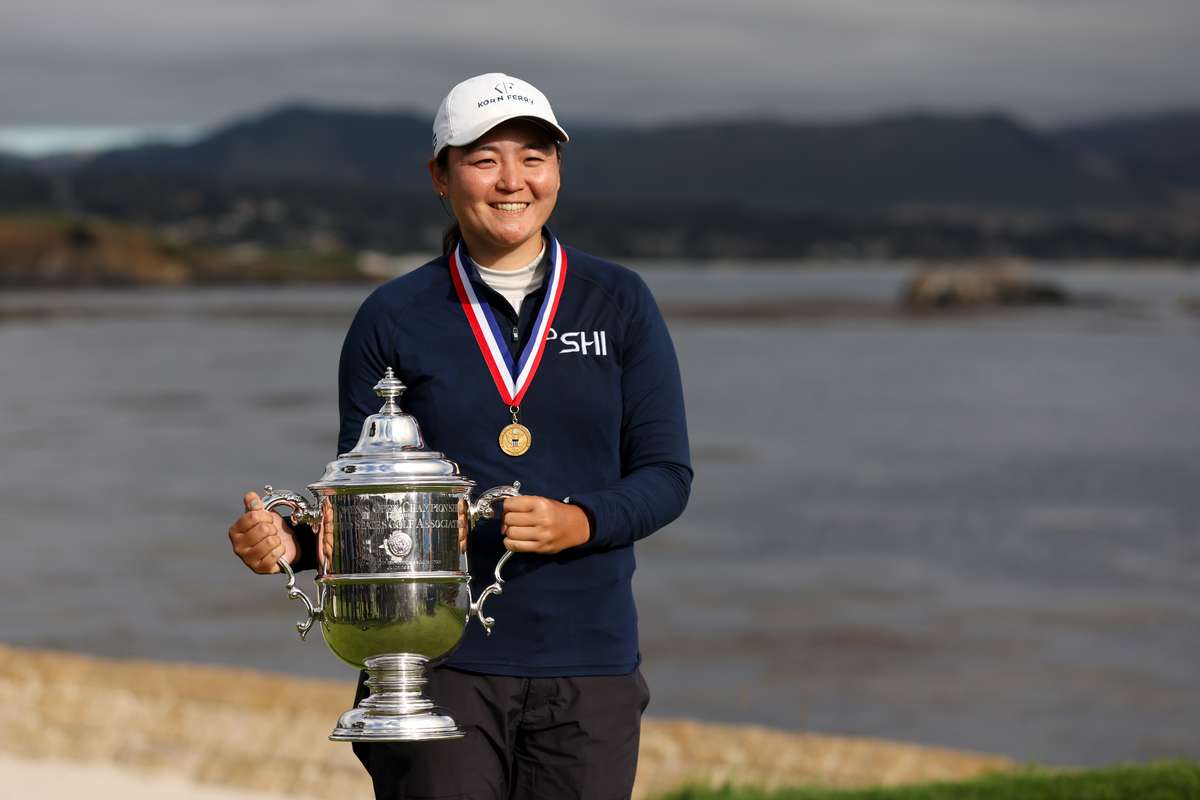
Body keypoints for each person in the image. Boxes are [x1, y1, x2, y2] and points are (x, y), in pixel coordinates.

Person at [227, 72, 692, 800]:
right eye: (484, 159)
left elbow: (666, 476)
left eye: (534, 157)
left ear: (558, 171)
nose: (513, 180)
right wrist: (292, 542)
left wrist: (582, 520)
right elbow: (369, 501)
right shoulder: (394, 315)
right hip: (432, 663)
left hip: (590, 663)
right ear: (441, 177)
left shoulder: (620, 301)